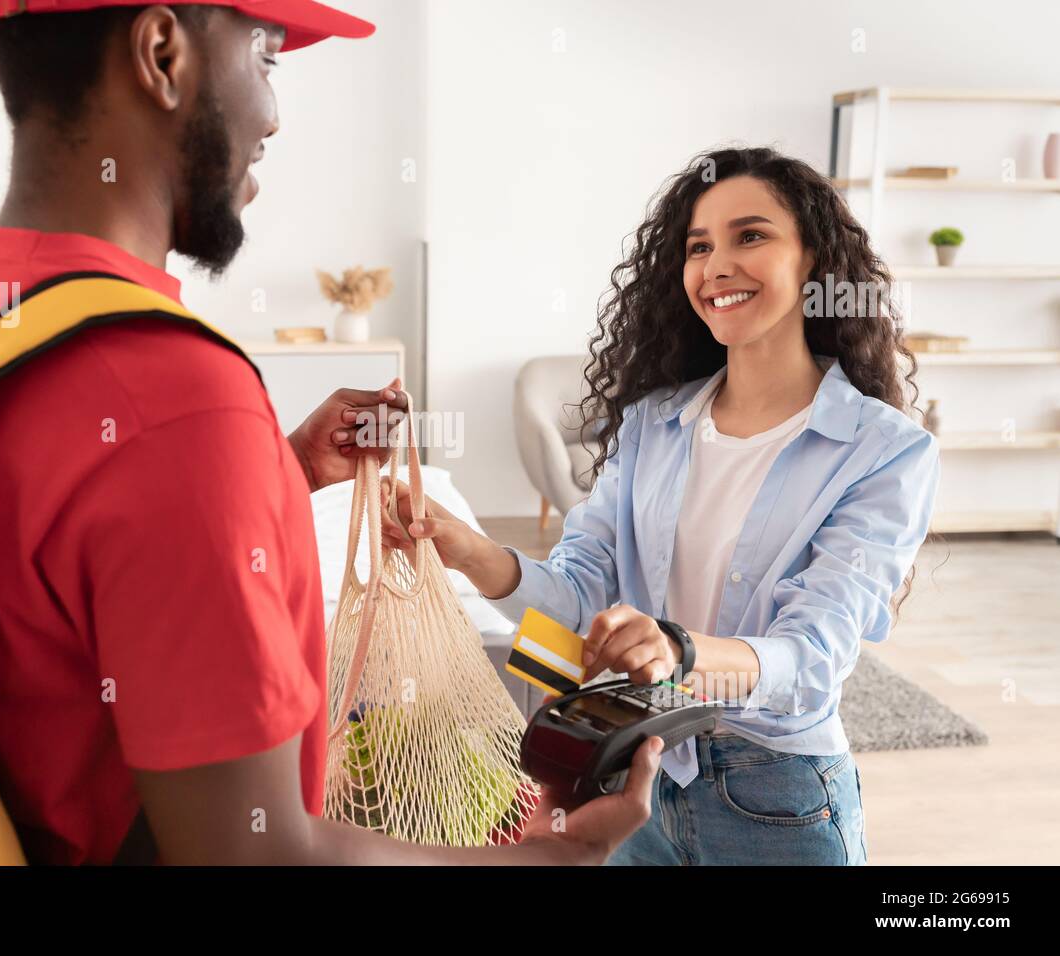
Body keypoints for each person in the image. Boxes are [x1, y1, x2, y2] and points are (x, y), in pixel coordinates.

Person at [0, 0, 659, 864]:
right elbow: (262, 855)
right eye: (268, 60)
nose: (274, 119)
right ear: (162, 50)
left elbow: (51, 572)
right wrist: (550, 858)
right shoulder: (177, 396)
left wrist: (277, 473)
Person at [381, 146, 941, 865]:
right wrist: (469, 550)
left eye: (751, 236)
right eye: (698, 247)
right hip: (637, 774)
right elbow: (581, 592)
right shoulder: (654, 424)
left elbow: (810, 661)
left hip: (775, 797)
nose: (716, 265)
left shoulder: (884, 451)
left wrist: (674, 649)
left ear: (814, 264)